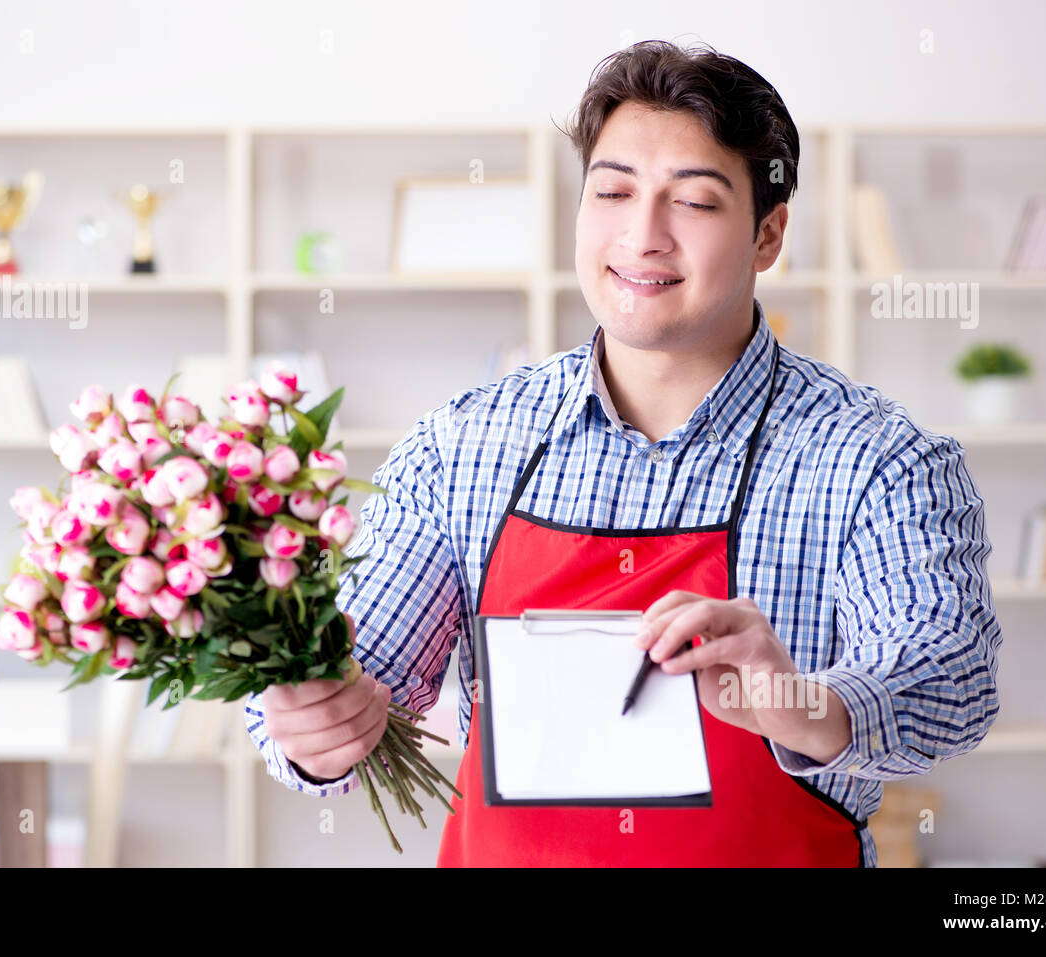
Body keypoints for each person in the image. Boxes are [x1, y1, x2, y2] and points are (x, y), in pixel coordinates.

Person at [244, 39, 1001, 867]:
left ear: (767, 234)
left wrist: (796, 698)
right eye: (612, 191)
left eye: (696, 202)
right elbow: (363, 681)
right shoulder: (460, 446)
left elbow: (950, 686)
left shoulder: (878, 461)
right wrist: (314, 723)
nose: (643, 237)